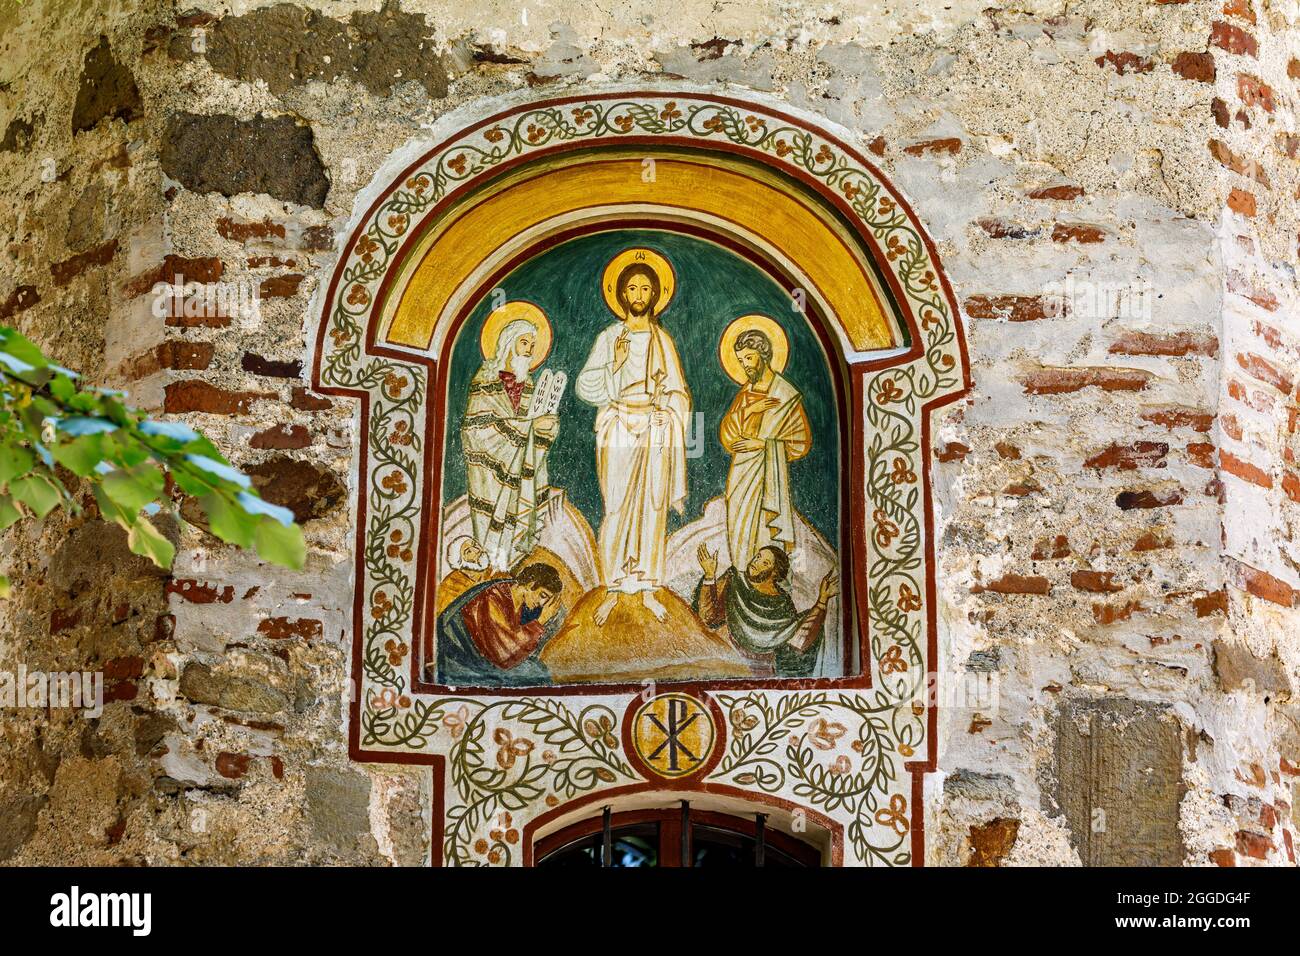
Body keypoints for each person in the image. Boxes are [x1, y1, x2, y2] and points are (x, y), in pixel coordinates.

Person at [576, 259, 690, 624]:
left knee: (652, 507)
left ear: (655, 294)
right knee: (618, 505)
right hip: (619, 428)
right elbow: (586, 387)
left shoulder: (664, 340)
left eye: (645, 288)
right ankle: (613, 586)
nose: (638, 295)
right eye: (632, 288)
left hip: (656, 428)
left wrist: (668, 412)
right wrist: (615, 363)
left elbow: (680, 394)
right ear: (621, 294)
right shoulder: (610, 338)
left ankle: (648, 587)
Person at [463, 312, 559, 571]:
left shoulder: (528, 385)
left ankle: (508, 569)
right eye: (524, 343)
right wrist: (527, 426)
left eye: (532, 345)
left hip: (520, 473)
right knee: (489, 533)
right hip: (489, 475)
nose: (529, 350)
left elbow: (533, 427)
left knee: (516, 531)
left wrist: (545, 428)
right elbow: (477, 429)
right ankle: (486, 567)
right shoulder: (486, 380)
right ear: (509, 342)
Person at [721, 327, 811, 574]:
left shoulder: (785, 394)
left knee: (763, 529)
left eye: (749, 358)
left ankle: (766, 584)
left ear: (765, 355)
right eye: (740, 360)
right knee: (739, 529)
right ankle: (742, 578)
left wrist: (762, 444)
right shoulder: (745, 394)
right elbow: (727, 435)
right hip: (741, 475)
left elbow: (800, 442)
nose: (745, 365)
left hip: (770, 478)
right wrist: (750, 410)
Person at [693, 543, 837, 678]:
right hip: (727, 655)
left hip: (765, 671)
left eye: (765, 563)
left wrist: (822, 600)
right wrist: (709, 575)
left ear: (774, 573)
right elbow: (708, 617)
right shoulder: (735, 580)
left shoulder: (783, 603)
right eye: (758, 556)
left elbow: (794, 638)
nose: (756, 562)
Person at [434, 562, 564, 687]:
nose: (542, 603)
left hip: (485, 657)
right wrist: (540, 622)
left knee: (539, 670)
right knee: (538, 675)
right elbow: (503, 654)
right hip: (461, 660)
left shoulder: (516, 600)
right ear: (531, 584)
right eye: (542, 595)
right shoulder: (493, 597)